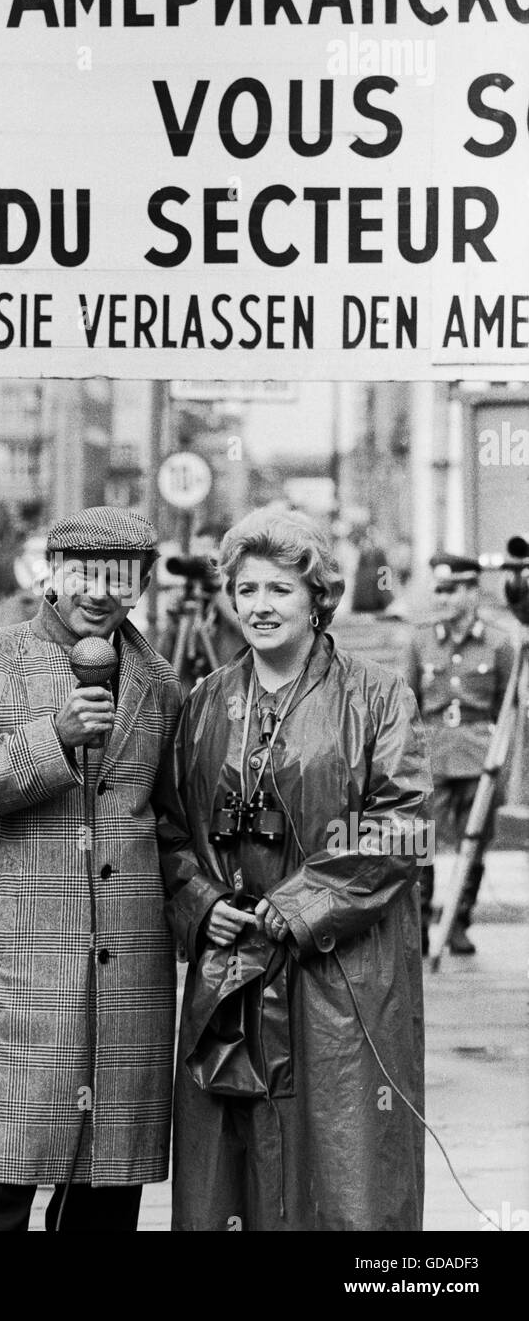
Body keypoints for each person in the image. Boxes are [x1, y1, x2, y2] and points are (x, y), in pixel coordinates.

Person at [155, 507, 432, 1232]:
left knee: (346, 1181)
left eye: (279, 589)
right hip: (230, 980)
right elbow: (169, 829)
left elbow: (401, 828)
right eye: (246, 590)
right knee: (227, 1185)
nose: (260, 607)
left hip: (340, 983)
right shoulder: (204, 703)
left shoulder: (375, 696)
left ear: (316, 599)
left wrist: (304, 902)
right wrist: (198, 900)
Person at [0, 507, 181, 1232]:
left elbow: (171, 825)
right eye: (83, 575)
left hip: (124, 988)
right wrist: (50, 740)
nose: (99, 593)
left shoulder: (160, 684)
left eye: (119, 579)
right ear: (51, 573)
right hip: (15, 986)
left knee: (102, 1207)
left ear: (142, 586)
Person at [406, 553, 515, 955]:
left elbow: (507, 708)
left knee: (474, 842)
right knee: (419, 841)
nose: (443, 597)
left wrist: (500, 761)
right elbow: (408, 702)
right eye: (439, 589)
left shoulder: (499, 642)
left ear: (472, 592)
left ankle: (457, 922)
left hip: (478, 756)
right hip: (431, 754)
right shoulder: (420, 640)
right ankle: (417, 925)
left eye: (451, 590)